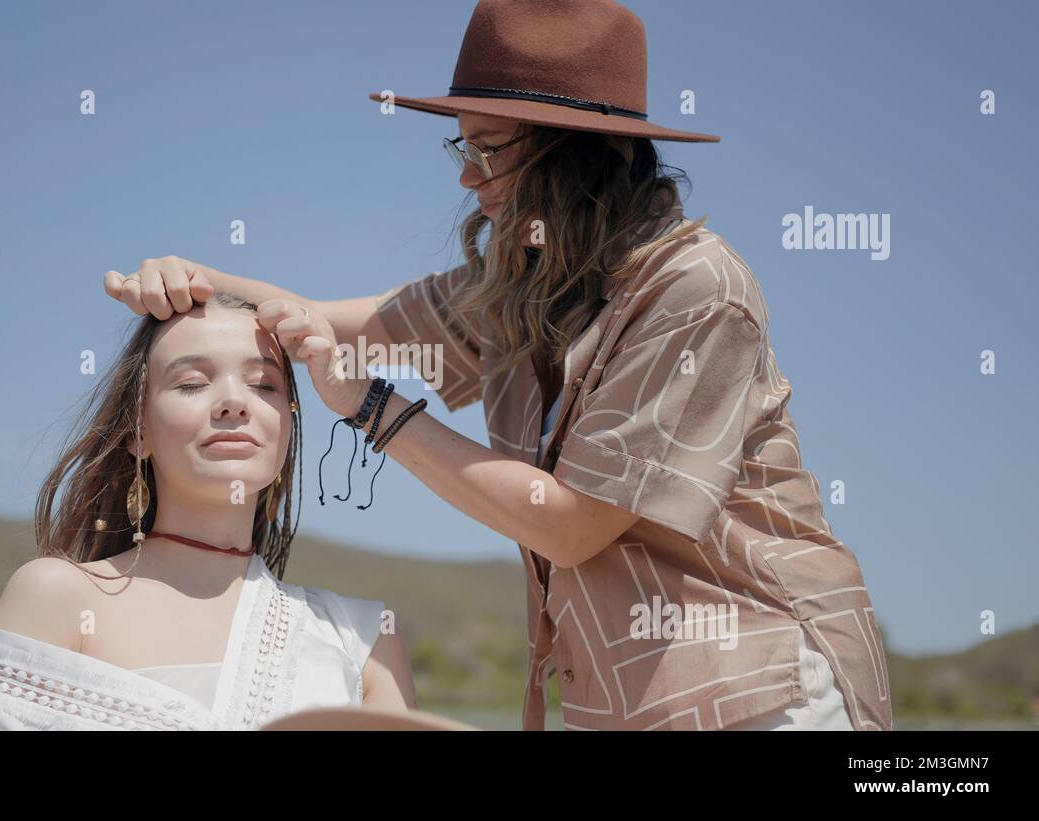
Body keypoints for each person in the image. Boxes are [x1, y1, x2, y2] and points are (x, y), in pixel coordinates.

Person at [104, 0, 892, 731]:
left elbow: (572, 523)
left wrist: (374, 407)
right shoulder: (519, 284)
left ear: (574, 156)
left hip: (761, 691)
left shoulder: (697, 290)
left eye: (488, 148)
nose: (465, 175)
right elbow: (324, 317)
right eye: (462, 144)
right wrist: (191, 277)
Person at [0, 292, 416, 730]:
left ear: (287, 427)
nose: (234, 403)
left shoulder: (363, 638)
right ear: (137, 433)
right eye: (193, 383)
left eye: (264, 385)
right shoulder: (58, 595)